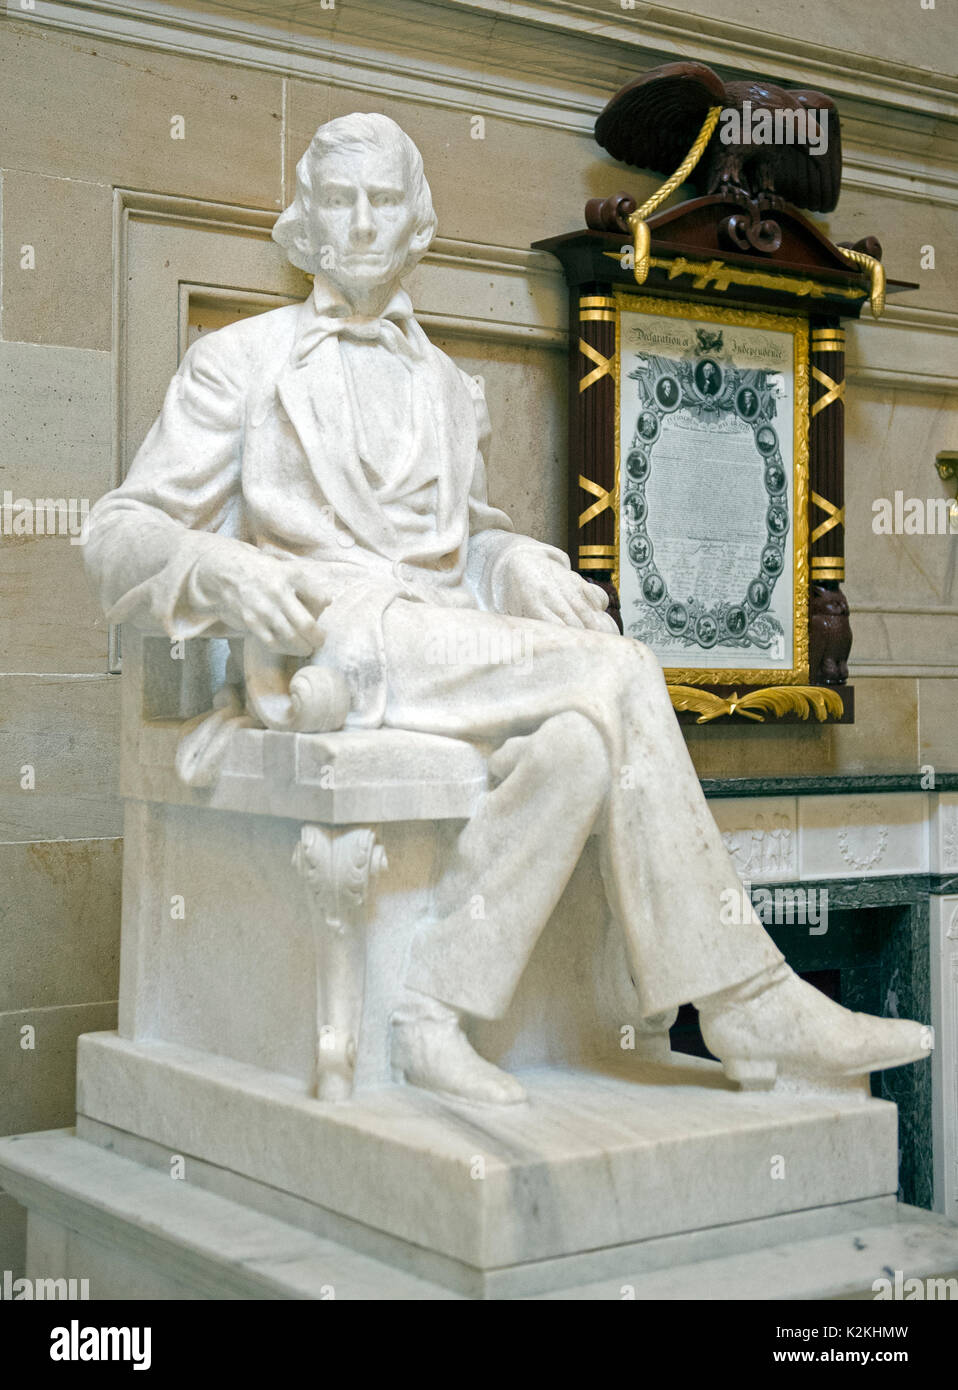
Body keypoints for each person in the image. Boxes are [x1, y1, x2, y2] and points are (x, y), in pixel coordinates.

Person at [85, 113, 931, 1105]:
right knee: (621, 670)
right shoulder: (240, 362)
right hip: (329, 646)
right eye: (339, 201)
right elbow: (117, 536)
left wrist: (518, 561)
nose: (361, 222)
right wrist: (225, 571)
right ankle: (743, 996)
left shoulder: (449, 385)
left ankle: (432, 1007)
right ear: (305, 223)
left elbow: (464, 542)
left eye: (383, 200)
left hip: (430, 642)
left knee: (576, 743)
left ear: (418, 226)